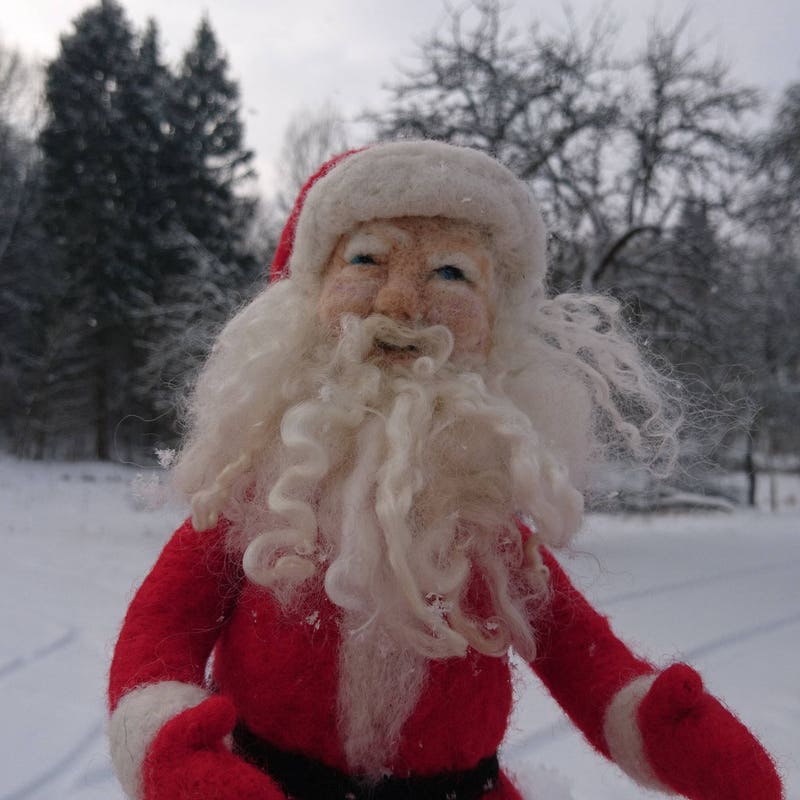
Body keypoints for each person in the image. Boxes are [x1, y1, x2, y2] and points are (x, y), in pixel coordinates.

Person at [108, 140, 782, 800]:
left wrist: (648, 720)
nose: (400, 303)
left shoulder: (486, 524)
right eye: (368, 260)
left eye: (450, 273)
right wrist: (169, 750)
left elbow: (580, 656)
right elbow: (160, 635)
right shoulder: (255, 504)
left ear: (495, 325)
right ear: (306, 306)